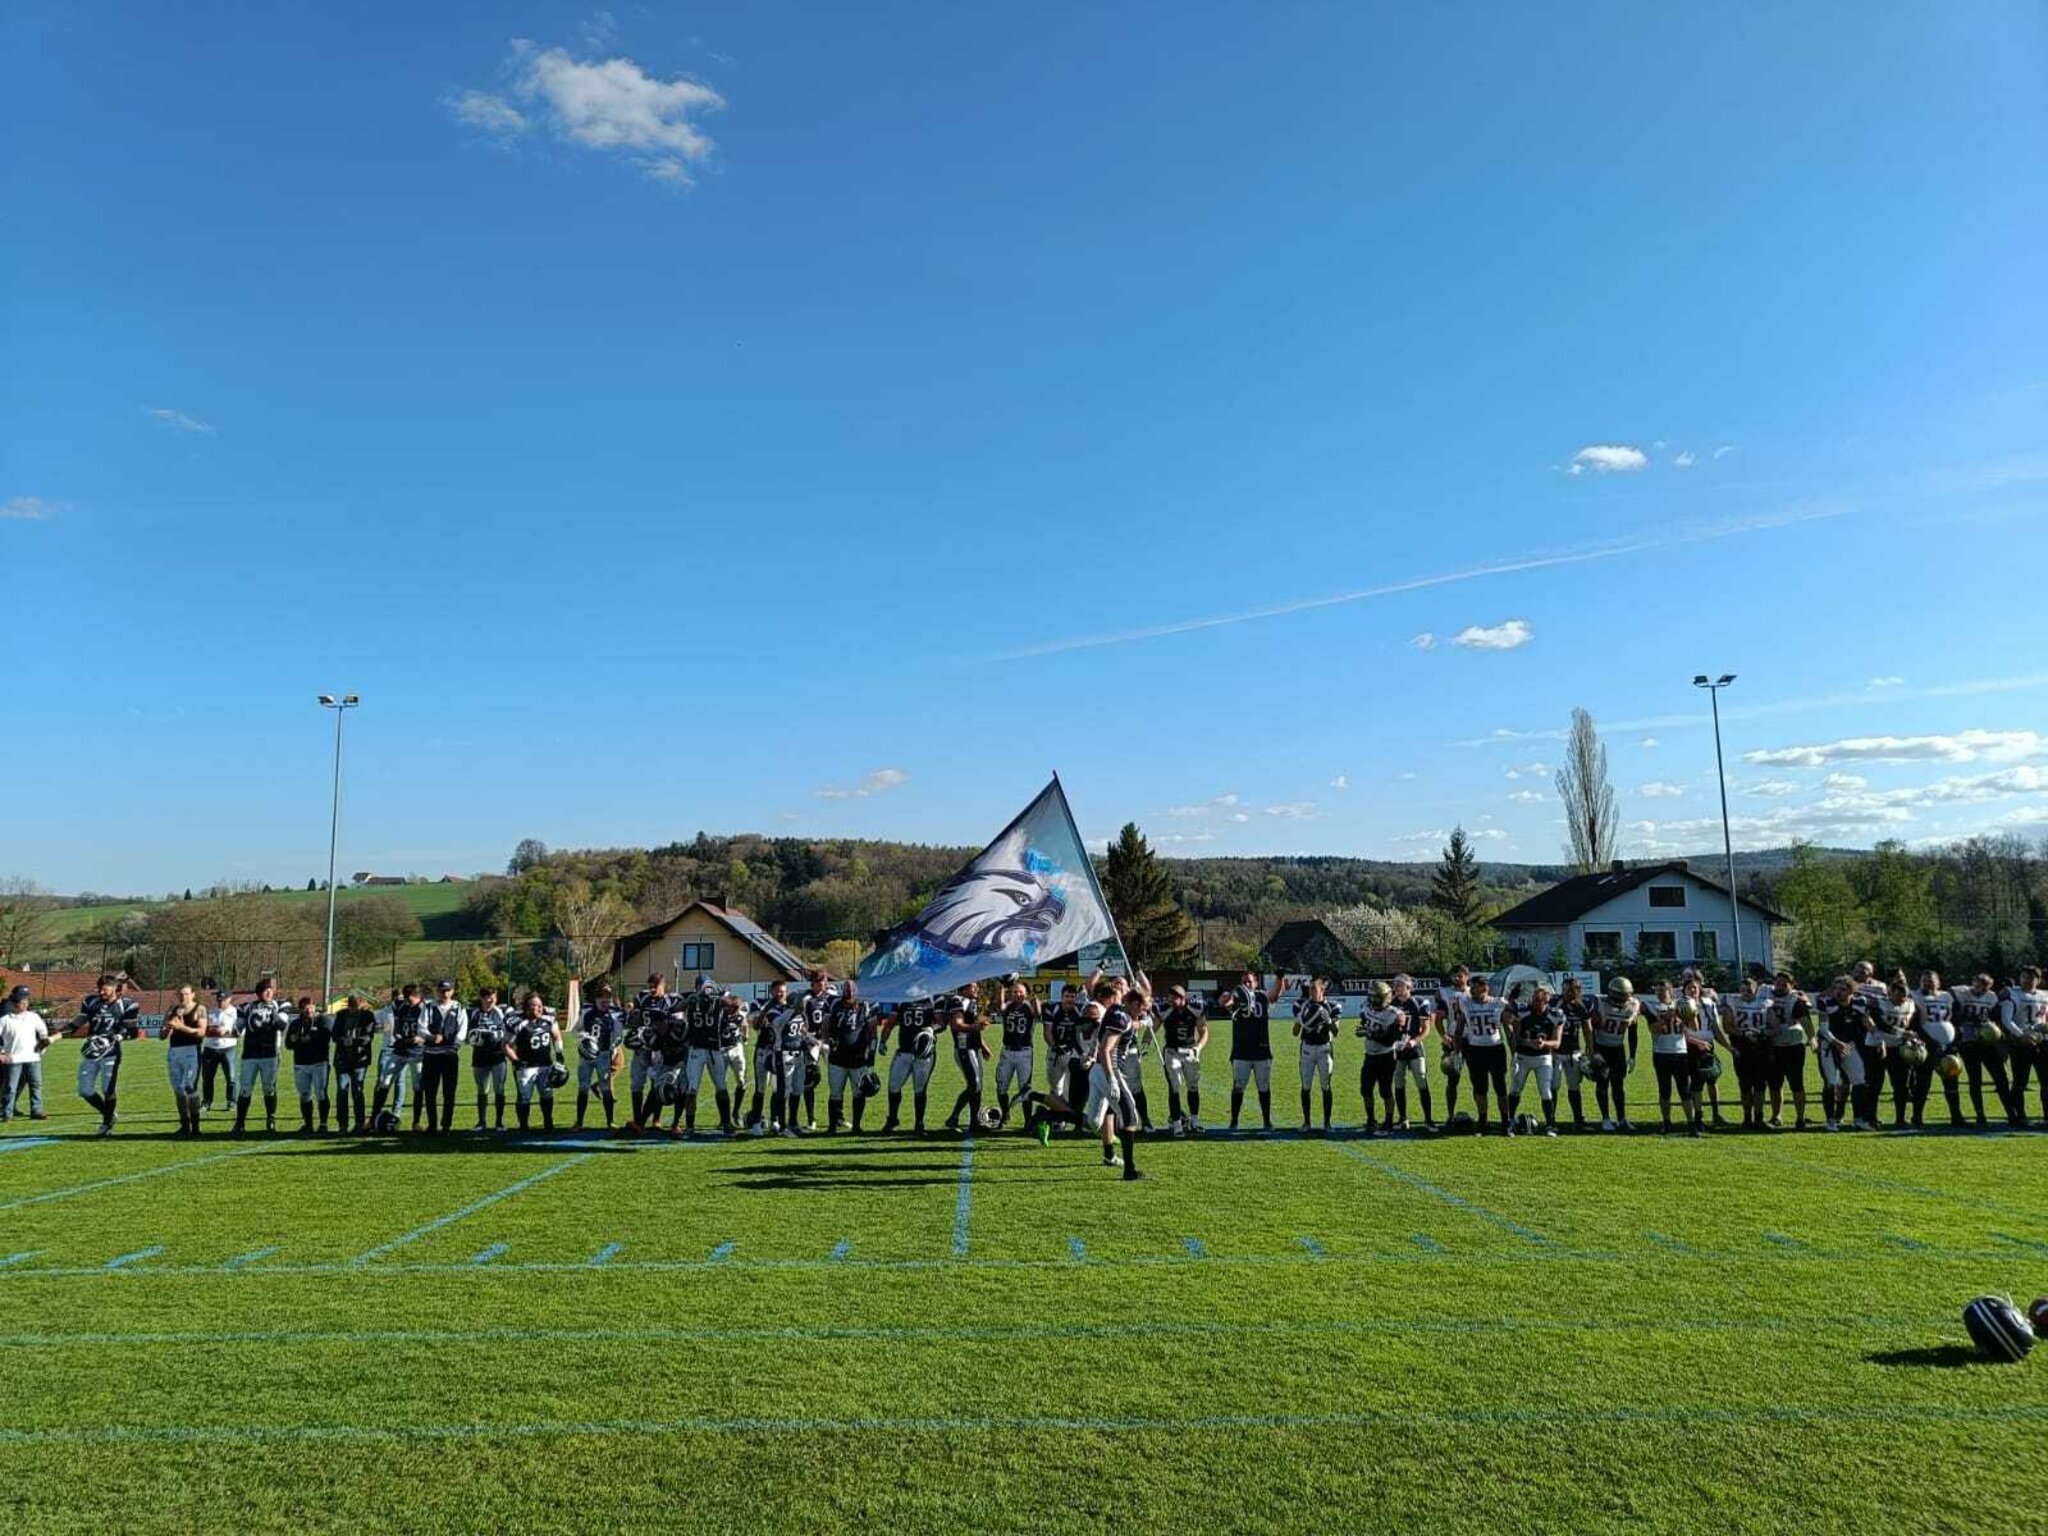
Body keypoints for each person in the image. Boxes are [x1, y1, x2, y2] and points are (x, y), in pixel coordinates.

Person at [1084, 982, 1144, 1180]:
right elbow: (1106, 1049)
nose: (1142, 1012)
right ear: (1134, 1004)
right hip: (1108, 1070)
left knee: (1093, 1121)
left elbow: (1125, 1024)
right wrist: (1112, 1079)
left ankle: (1046, 1116)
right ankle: (1130, 1169)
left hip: (1097, 1070)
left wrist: (1141, 1023)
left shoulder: (1116, 1010)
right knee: (1130, 1116)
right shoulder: (1122, 1018)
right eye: (1141, 1008)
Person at [71, 974, 139, 1137]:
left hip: (111, 1053)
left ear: (115, 988)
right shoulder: (91, 1002)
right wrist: (57, 1034)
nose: (101, 992)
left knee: (108, 1089)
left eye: (105, 988)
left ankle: (106, 1124)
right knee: (84, 1090)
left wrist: (117, 1037)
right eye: (99, 988)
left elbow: (132, 1031)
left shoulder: (127, 1005)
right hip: (92, 1051)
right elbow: (77, 1023)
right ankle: (109, 1114)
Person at [1223, 969, 1285, 1133]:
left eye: (1250, 981)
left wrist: (1279, 977)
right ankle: (1234, 1121)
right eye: (1244, 982)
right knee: (1238, 1087)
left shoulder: (1262, 997)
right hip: (1241, 1052)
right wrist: (1232, 994)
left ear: (1256, 983)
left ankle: (1266, 1120)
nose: (1247, 984)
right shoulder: (1236, 998)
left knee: (1263, 1087)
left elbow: (1274, 995)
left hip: (1261, 1051)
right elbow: (1223, 1002)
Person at [1953, 973, 2014, 1128]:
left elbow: (1995, 1016)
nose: (1982, 989)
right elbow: (1954, 1013)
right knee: (1975, 1079)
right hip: (1968, 1040)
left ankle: (2011, 1113)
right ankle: (1980, 1115)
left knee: (2001, 1077)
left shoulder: (1992, 997)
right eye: (1979, 984)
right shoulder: (1962, 993)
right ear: (1973, 982)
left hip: (1987, 1040)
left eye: (1985, 986)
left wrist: (1991, 1024)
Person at [233, 978, 291, 1136]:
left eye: (270, 989)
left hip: (270, 1053)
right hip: (250, 1053)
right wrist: (233, 1030)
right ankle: (240, 1121)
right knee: (245, 1088)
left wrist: (273, 1013)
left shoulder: (282, 1005)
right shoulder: (246, 1007)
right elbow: (237, 1028)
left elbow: (283, 1025)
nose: (269, 992)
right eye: (265, 989)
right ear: (258, 992)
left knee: (269, 1088)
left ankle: (270, 1119)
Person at [1504, 983, 1563, 1137]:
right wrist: (1528, 1042)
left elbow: (1557, 1042)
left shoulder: (1555, 1016)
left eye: (1538, 1001)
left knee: (1545, 1090)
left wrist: (1544, 1043)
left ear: (1546, 1001)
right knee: (1516, 1088)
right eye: (1534, 1000)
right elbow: (1516, 1037)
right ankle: (1510, 1120)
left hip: (1543, 1058)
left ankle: (1550, 1124)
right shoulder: (1523, 1013)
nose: (1535, 1003)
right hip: (1523, 1057)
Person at [1816, 976, 1873, 1132]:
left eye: (1842, 989)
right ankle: (1830, 1119)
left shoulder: (1859, 1002)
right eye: (1836, 989)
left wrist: (1878, 1037)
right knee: (1832, 1082)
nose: (1838, 992)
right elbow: (1823, 1028)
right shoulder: (1826, 1002)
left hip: (1849, 1045)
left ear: (1851, 990)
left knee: (1859, 1080)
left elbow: (1867, 1021)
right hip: (1830, 1045)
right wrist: (1836, 1042)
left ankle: (1858, 1118)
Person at [1455, 973, 1509, 1136]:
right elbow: (1459, 1029)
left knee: (1501, 1088)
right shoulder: (1465, 1003)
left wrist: (1515, 1053)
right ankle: (1483, 1122)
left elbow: (1509, 1028)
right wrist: (1457, 1051)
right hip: (1475, 1049)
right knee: (1480, 1089)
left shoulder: (1499, 1003)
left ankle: (1505, 1123)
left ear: (1484, 987)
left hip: (1496, 1048)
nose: (1470, 990)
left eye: (1474, 986)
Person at [1907, 970, 1962, 1129]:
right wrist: (1930, 1042)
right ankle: (1917, 1117)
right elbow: (1914, 1023)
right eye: (1924, 981)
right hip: (1926, 1045)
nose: (1927, 983)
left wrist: (1954, 1041)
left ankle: (1956, 1115)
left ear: (1938, 982)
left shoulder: (1947, 996)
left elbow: (1956, 1020)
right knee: (1923, 1082)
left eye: (1931, 981)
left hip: (1948, 1045)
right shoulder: (1914, 996)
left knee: (1951, 1082)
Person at [1723, 977, 1776, 1131]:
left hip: (1761, 1047)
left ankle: (1758, 1118)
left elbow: (1775, 1027)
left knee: (1760, 1085)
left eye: (1749, 990)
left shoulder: (1765, 1004)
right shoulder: (1733, 1003)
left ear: (1756, 990)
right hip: (1741, 1047)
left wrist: (1761, 1032)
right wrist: (1744, 1032)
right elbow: (1727, 1026)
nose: (1746, 993)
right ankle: (1747, 1118)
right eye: (1743, 990)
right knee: (1745, 1085)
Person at [1644, 981, 1697, 1136]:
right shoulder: (1653, 1007)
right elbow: (1654, 1029)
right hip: (1661, 1052)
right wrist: (1668, 1017)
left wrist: (1690, 1013)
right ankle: (1666, 1122)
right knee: (1664, 1090)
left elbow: (1694, 1027)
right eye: (1657, 990)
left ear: (1670, 990)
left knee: (1685, 1090)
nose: (1660, 993)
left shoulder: (1680, 1005)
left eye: (1663, 990)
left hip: (1680, 1052)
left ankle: (1691, 1123)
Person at [372, 984, 425, 1132]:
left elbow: (430, 1031)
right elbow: (396, 1030)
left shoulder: (425, 1010)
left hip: (417, 1053)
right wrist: (401, 1038)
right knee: (384, 1081)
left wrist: (421, 1038)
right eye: (406, 998)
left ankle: (416, 1122)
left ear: (418, 996)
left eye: (410, 998)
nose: (407, 1001)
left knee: (417, 1086)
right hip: (400, 1050)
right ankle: (372, 1120)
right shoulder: (402, 1008)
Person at [882, 998, 940, 1135]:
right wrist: (883, 1041)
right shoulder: (901, 998)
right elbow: (890, 1022)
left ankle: (919, 1123)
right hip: (904, 1050)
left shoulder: (932, 998)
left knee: (919, 1089)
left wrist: (931, 1029)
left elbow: (941, 1022)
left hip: (923, 1053)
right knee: (893, 1086)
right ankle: (893, 1118)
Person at [824, 984, 877, 1133]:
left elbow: (873, 1032)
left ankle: (856, 1126)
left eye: (851, 992)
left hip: (858, 1057)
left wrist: (871, 1053)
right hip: (837, 1057)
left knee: (858, 1093)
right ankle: (832, 1126)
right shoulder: (834, 1004)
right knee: (835, 1093)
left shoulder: (866, 1005)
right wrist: (827, 1041)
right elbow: (826, 1026)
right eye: (846, 992)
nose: (849, 995)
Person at [506, 991, 562, 1132]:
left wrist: (559, 1054)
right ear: (525, 1007)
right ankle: (523, 1126)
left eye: (539, 1005)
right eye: (533, 1006)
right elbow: (505, 1045)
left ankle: (548, 1123)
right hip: (526, 1066)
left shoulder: (548, 1019)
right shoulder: (518, 1022)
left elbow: (556, 1036)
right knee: (524, 1097)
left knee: (547, 1094)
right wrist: (515, 1060)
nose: (536, 1008)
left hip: (545, 1064)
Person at [417, 980, 467, 1135]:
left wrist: (456, 1045)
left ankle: (446, 1126)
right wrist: (432, 1037)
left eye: (448, 990)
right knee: (430, 1092)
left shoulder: (459, 1007)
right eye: (442, 990)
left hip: (449, 1055)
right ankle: (432, 1125)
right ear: (437, 991)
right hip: (431, 1055)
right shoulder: (429, 1007)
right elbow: (421, 1027)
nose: (445, 993)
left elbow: (462, 1029)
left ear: (452, 991)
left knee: (449, 1092)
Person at [2001, 966, 2048, 1129]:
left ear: (2038, 980)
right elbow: (2007, 1019)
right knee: (2020, 1081)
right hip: (2020, 1042)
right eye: (2024, 977)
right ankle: (2019, 1116)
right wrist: (2021, 1035)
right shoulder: (2012, 994)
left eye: (2031, 978)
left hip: (2043, 1042)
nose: (2027, 980)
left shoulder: (2045, 995)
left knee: (2046, 1080)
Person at [1291, 977, 1341, 1134]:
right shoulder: (1301, 1005)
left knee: (1325, 1085)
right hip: (1307, 1048)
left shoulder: (1332, 1006)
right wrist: (1299, 1021)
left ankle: (1327, 1123)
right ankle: (1307, 1122)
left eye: (1315, 989)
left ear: (1322, 990)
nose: (1311, 992)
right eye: (1310, 989)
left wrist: (1329, 1021)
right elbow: (1295, 1033)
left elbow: (1336, 1032)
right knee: (1306, 1086)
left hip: (1324, 1048)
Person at [1157, 983, 1207, 1136]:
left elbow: (1204, 1031)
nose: (1170, 1002)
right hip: (1172, 1052)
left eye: (1173, 999)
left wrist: (1198, 1048)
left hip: (1189, 1051)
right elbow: (1153, 1027)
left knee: (1193, 1086)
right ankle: (1177, 1124)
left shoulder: (1195, 1008)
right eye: (1169, 999)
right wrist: (1145, 1046)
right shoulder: (1166, 1010)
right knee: (1175, 1086)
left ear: (1182, 998)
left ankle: (1194, 1121)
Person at [1355, 980, 1403, 1136]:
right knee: (1365, 1089)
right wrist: (1362, 1029)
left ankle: (1388, 1122)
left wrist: (1368, 1033)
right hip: (1370, 1056)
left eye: (1377, 997)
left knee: (1385, 1091)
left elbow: (1389, 1039)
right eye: (1373, 997)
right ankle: (1371, 1120)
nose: (1373, 1000)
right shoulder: (1367, 1008)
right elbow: (1364, 1024)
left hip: (1386, 1056)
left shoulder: (1395, 1014)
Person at [1765, 971, 1812, 1131]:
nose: (1780, 986)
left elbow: (1806, 1020)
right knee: (1774, 1084)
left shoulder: (1796, 999)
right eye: (1778, 983)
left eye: (1784, 984)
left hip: (1793, 1045)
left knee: (1796, 1084)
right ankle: (1776, 1116)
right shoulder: (1766, 995)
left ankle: (1800, 1117)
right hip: (1774, 1045)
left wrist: (1812, 1037)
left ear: (1791, 985)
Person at [626, 974, 673, 1133]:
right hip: (642, 1047)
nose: (652, 989)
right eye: (650, 985)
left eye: (655, 985)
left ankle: (655, 1119)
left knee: (657, 1083)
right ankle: (637, 1118)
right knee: (637, 1084)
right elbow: (635, 1018)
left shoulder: (668, 1001)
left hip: (658, 1049)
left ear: (663, 985)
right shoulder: (642, 997)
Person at [576, 983, 626, 1131]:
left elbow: (618, 1034)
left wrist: (614, 1046)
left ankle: (610, 1121)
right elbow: (575, 1030)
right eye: (602, 999)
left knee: (606, 1088)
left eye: (607, 998)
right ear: (596, 1000)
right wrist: (583, 1037)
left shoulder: (614, 1014)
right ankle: (579, 1122)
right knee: (583, 1087)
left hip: (604, 1054)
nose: (605, 1001)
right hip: (586, 1056)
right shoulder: (587, 1012)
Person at [1592, 977, 1639, 1132]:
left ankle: (1622, 1119)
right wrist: (1592, 1052)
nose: (1622, 1000)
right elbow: (1590, 1028)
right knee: (1603, 1082)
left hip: (1618, 1048)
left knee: (1618, 1086)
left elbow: (1633, 1032)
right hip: (1601, 1047)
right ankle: (1605, 1118)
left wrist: (1632, 1055)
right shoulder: (1600, 1003)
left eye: (1625, 996)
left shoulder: (1633, 1005)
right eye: (1620, 996)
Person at [1389, 976, 1436, 1132]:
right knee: (1398, 1082)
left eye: (1399, 985)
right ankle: (1403, 1119)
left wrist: (1414, 1041)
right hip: (1397, 1049)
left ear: (1408, 987)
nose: (1396, 988)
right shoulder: (1390, 1004)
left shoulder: (1419, 1002)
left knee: (1421, 1080)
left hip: (1414, 1048)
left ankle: (1428, 1119)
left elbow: (1426, 1029)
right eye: (1395, 985)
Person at [0, 984, 52, 1123]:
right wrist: (1, 1054)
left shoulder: (33, 1017)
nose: (24, 1004)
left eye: (26, 1001)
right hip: (13, 1059)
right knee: (11, 1087)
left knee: (36, 1084)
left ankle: (36, 1110)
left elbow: (43, 1034)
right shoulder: (5, 1020)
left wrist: (43, 1048)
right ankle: (7, 1113)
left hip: (33, 1058)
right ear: (14, 1002)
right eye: (21, 1001)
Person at [161, 985, 207, 1135]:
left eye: (186, 994)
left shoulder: (200, 1009)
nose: (183, 997)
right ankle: (184, 1125)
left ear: (193, 994)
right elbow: (162, 1036)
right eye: (180, 994)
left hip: (191, 1050)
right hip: (174, 1051)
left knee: (189, 1086)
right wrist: (168, 1028)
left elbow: (201, 1032)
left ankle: (196, 1126)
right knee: (178, 1089)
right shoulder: (172, 1010)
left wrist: (182, 1027)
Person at [745, 981, 790, 1133]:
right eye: (777, 991)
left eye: (783, 991)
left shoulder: (788, 1008)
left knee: (777, 1089)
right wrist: (765, 1011)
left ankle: (775, 1120)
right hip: (763, 1050)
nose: (780, 994)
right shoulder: (761, 1004)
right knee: (760, 1088)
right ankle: (756, 1122)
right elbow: (756, 1025)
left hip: (779, 1051)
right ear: (771, 992)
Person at [943, 993, 992, 1133]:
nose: (976, 987)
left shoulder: (972, 1001)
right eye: (973, 984)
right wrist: (976, 1027)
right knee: (974, 1084)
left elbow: (974, 1028)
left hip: (973, 1048)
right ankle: (954, 1117)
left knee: (978, 1085)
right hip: (964, 1049)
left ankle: (974, 1121)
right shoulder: (957, 1000)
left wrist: (983, 1046)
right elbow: (956, 1025)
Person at [994, 981, 1039, 1128]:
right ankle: (1005, 1114)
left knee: (1025, 1088)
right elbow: (1000, 1006)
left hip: (1024, 1052)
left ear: (1026, 993)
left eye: (1020, 992)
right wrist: (1001, 986)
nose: (1017, 994)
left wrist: (1035, 1001)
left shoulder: (1029, 1006)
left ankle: (1028, 1121)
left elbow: (1037, 1014)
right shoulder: (1008, 1006)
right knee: (1001, 1087)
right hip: (1007, 1051)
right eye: (1014, 992)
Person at [331, 994, 378, 1135]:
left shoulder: (367, 1016)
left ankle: (359, 1123)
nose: (353, 1009)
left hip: (359, 1059)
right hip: (342, 1058)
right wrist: (342, 1040)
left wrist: (353, 1041)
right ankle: (343, 1124)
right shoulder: (341, 1016)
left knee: (357, 1091)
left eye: (355, 1006)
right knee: (342, 1091)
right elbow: (334, 1035)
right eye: (351, 1006)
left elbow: (368, 1037)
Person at [285, 995, 332, 1134]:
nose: (308, 1010)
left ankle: (323, 1124)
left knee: (321, 1093)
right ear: (300, 1010)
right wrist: (301, 1040)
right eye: (305, 1008)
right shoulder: (295, 1023)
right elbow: (288, 1043)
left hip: (319, 1062)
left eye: (310, 1007)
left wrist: (305, 1040)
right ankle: (308, 1124)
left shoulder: (323, 1020)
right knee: (304, 1094)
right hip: (300, 1063)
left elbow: (324, 1039)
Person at [468, 987, 511, 1131]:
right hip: (479, 1057)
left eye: (493, 997)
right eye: (488, 997)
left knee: (499, 1088)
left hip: (498, 1056)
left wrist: (496, 1036)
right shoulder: (474, 1013)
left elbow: (508, 1031)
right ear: (481, 998)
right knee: (482, 1089)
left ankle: (499, 1122)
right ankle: (481, 1121)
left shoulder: (502, 1012)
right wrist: (475, 1037)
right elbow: (467, 1034)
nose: (491, 1000)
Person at [1553, 977, 1592, 1132]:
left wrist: (1590, 1050)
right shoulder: (1554, 1003)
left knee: (1574, 1087)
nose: (1569, 992)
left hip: (1573, 1051)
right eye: (1567, 989)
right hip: (1555, 1052)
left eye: (1573, 989)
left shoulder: (1581, 1005)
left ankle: (1578, 1119)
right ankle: (1551, 1119)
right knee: (1553, 1086)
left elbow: (1587, 1029)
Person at [1437, 967, 1470, 1124]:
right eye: (1454, 975)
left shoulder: (1473, 992)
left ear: (1467, 976)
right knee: (1452, 1079)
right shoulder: (1445, 993)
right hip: (1453, 1039)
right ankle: (1450, 1115)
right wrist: (1444, 1035)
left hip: (1472, 1040)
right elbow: (1438, 1018)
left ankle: (1483, 1116)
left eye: (1460, 975)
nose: (1456, 978)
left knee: (1478, 1079)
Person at [201, 987, 239, 1114]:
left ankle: (231, 1101)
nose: (219, 1002)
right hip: (210, 1048)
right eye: (218, 1000)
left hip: (228, 1048)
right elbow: (204, 1030)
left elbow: (239, 1032)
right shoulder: (210, 1012)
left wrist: (224, 1032)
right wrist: (213, 1031)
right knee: (207, 1077)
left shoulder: (236, 1013)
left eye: (222, 1000)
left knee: (231, 1077)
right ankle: (206, 1102)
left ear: (229, 999)